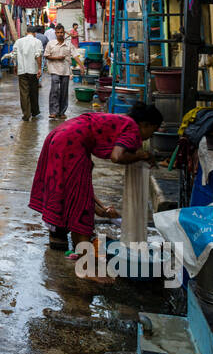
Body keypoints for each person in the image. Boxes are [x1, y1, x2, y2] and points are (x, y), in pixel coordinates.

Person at [27, 103, 163, 261]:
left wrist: (101, 209)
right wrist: (142, 156)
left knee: (69, 190)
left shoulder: (122, 121)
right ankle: (86, 264)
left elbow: (84, 189)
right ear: (146, 125)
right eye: (152, 132)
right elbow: (116, 157)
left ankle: (60, 234)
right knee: (81, 207)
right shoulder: (132, 129)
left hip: (59, 135)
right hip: (71, 143)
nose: (149, 136)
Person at [13, 28, 44, 120]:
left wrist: (15, 66)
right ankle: (34, 112)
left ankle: (26, 115)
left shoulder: (18, 41)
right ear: (35, 33)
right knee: (34, 91)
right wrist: (39, 68)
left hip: (22, 70)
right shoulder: (37, 41)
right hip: (33, 70)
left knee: (24, 93)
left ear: (26, 33)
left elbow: (14, 54)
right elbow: (38, 55)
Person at [44, 24, 74, 118]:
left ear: (64, 33)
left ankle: (62, 112)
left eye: (61, 32)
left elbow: (75, 55)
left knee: (64, 91)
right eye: (58, 32)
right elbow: (46, 56)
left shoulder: (68, 44)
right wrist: (57, 58)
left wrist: (81, 67)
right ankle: (53, 111)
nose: (60, 34)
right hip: (54, 69)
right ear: (55, 33)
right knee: (55, 90)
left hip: (65, 70)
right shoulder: (51, 43)